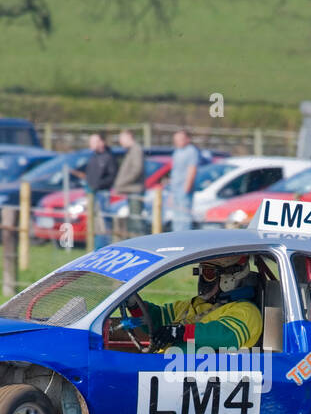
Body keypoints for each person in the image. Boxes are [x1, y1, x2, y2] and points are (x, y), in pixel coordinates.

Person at [134, 255, 263, 350]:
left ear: (229, 277)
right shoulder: (193, 304)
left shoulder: (246, 311)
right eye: (201, 271)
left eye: (208, 273)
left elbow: (226, 336)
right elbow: (156, 320)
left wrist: (180, 332)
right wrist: (133, 304)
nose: (202, 278)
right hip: (165, 373)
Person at [83, 132, 119, 249]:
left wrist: (98, 185)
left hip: (102, 194)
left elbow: (112, 177)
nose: (91, 144)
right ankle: (95, 248)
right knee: (94, 223)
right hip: (92, 194)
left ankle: (104, 247)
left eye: (93, 141)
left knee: (103, 223)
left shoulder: (109, 157)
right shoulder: (93, 156)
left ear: (101, 142)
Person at [112, 128, 144, 233]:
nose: (120, 142)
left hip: (135, 191)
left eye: (121, 138)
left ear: (128, 137)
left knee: (136, 223)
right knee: (132, 222)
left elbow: (136, 170)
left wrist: (121, 183)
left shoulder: (136, 150)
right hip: (131, 191)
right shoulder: (131, 150)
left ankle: (140, 245)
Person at [167, 129, 200, 230]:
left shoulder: (191, 151)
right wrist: (171, 192)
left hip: (183, 190)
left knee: (184, 218)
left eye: (180, 139)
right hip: (175, 190)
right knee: (176, 217)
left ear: (187, 139)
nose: (177, 141)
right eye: (176, 139)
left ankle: (185, 241)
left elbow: (192, 169)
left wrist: (186, 189)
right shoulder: (177, 152)